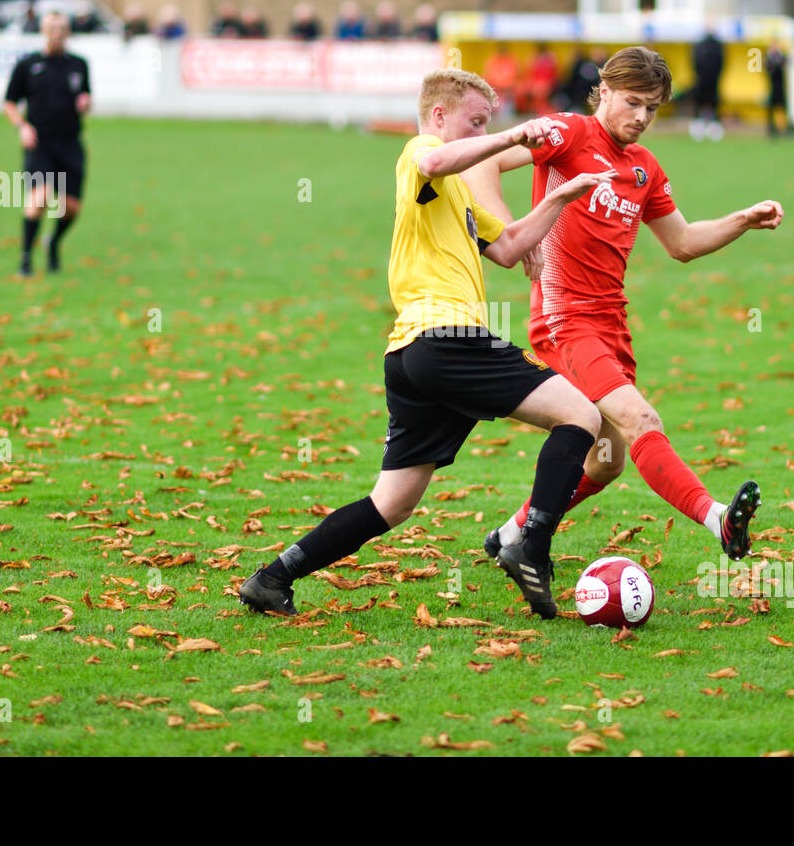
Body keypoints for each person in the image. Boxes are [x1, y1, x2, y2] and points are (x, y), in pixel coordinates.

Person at [240, 69, 613, 619]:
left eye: (490, 123)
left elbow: (509, 247)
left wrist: (560, 196)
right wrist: (513, 137)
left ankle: (273, 578)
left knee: (391, 504)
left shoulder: (458, 189)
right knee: (581, 415)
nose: (485, 133)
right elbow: (435, 161)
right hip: (447, 337)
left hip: (412, 355)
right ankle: (529, 545)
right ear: (439, 117)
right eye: (476, 122)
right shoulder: (423, 152)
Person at [462, 47, 783, 566]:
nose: (641, 117)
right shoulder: (569, 132)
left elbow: (681, 242)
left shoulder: (644, 167)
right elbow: (489, 161)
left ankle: (508, 535)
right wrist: (515, 234)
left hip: (610, 322)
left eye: (652, 109)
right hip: (564, 320)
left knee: (606, 459)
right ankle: (717, 518)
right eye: (632, 102)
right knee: (641, 420)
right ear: (604, 91)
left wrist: (742, 219)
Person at [3, 12, 91, 277]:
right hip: (40, 144)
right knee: (39, 198)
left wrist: (85, 104)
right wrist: (22, 126)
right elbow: (9, 103)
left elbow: (86, 97)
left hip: (70, 144)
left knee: (71, 208)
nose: (58, 32)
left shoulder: (79, 65)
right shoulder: (28, 64)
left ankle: (52, 243)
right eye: (53, 27)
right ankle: (26, 259)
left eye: (62, 27)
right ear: (43, 30)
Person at [690, 26, 724, 141]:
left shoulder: (700, 46)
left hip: (706, 82)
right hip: (708, 82)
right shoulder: (715, 47)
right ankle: (705, 129)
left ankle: (710, 129)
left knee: (706, 104)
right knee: (708, 104)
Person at [764, 36, 792, 137]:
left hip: (781, 87)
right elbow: (767, 69)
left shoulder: (781, 56)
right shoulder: (768, 57)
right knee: (771, 108)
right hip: (772, 87)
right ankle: (771, 128)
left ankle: (786, 127)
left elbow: (785, 65)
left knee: (783, 108)